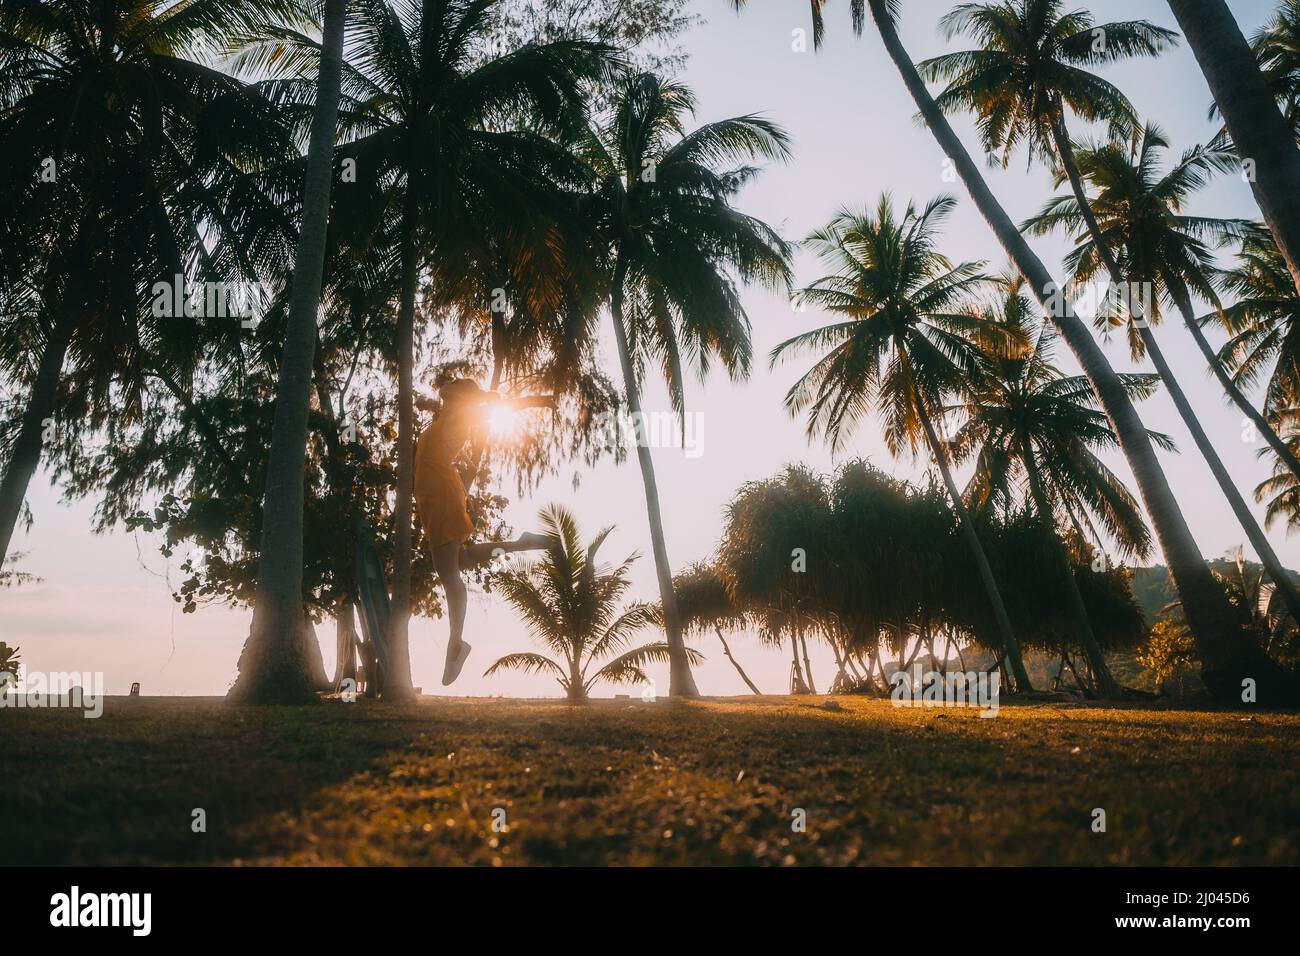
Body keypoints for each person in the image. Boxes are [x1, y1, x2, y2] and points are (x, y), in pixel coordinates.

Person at [414, 378, 554, 685]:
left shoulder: (460, 417)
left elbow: (504, 406)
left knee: (449, 574)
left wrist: (540, 400)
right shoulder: (452, 418)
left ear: (460, 399)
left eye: (450, 395)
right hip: (435, 497)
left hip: (441, 497)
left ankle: (456, 644)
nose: (444, 399)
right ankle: (521, 544)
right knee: (460, 560)